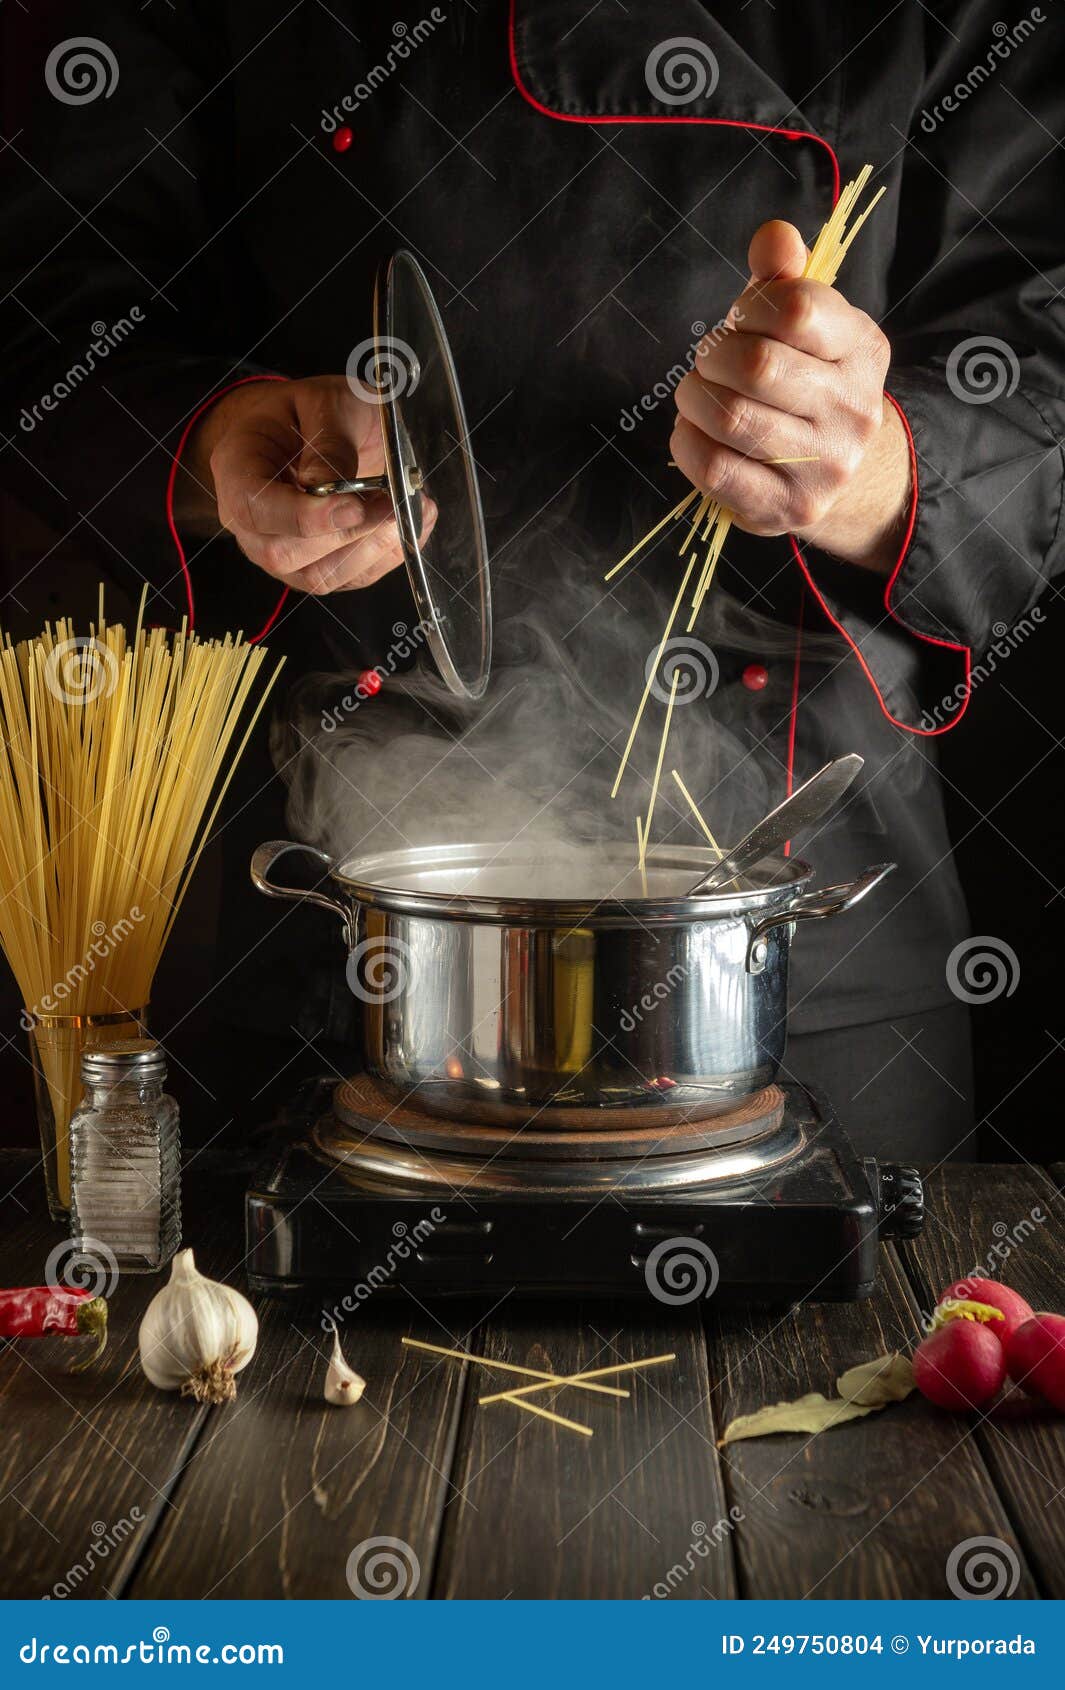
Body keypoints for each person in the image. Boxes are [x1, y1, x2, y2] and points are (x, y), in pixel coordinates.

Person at [2, 1, 1062, 1159]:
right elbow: (50, 317)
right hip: (353, 948)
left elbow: (1039, 359)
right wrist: (218, 446)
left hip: (809, 964)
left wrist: (868, 466)